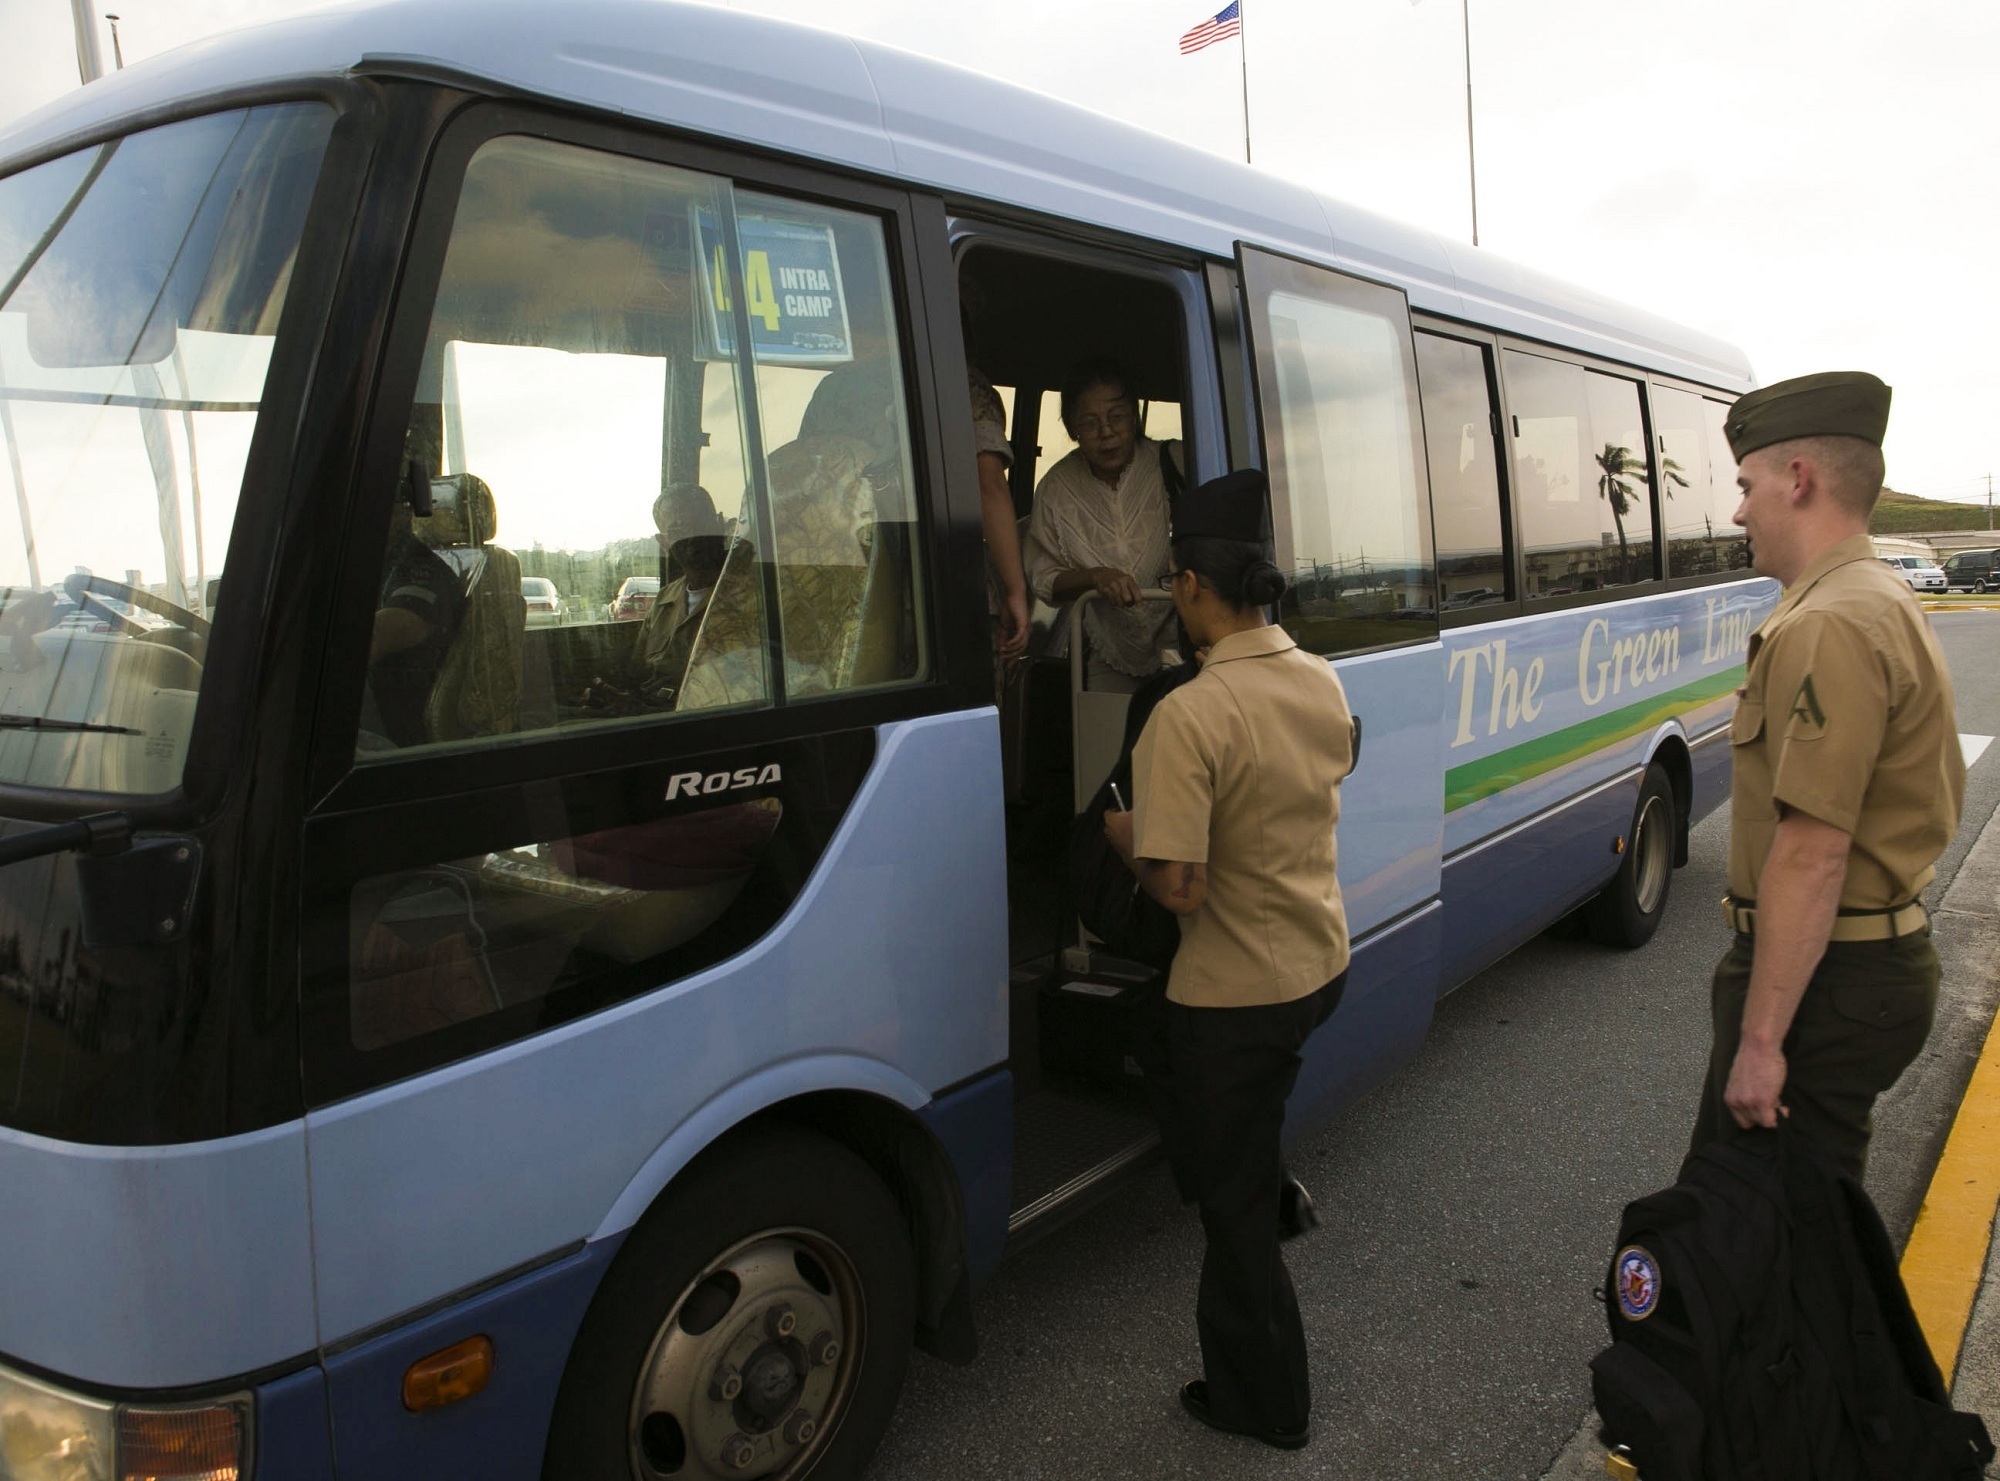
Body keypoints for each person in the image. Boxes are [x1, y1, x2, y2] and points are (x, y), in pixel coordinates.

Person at [1103, 468, 1354, 1450]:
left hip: (1237, 994)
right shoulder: (1320, 677)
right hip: (1318, 961)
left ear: (1190, 586)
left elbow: (1180, 888)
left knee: (1231, 1209)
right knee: (1233, 1125)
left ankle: (1265, 1402)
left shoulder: (1190, 712)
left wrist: (1124, 835)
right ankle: (1258, 1168)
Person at [1688, 371, 1965, 1181]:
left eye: (1747, 486)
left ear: (1799, 479)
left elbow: (1812, 850)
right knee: (1790, 1220)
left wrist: (1762, 1040)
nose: (1738, 511)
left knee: (1760, 1223)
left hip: (1829, 978)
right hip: (1850, 967)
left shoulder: (1831, 621)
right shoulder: (1867, 595)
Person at [1024, 358, 1180, 693]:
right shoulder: (1055, 489)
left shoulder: (1175, 463)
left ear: (1134, 416)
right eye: (1090, 422)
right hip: (1109, 656)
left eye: (1116, 416)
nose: (1106, 432)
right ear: (1072, 429)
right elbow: (1044, 579)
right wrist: (1096, 577)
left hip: (1185, 648)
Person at [633, 483, 730, 704]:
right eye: (679, 530)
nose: (693, 537)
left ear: (719, 524)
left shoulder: (750, 594)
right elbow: (636, 673)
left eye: (699, 524)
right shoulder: (663, 601)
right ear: (664, 542)